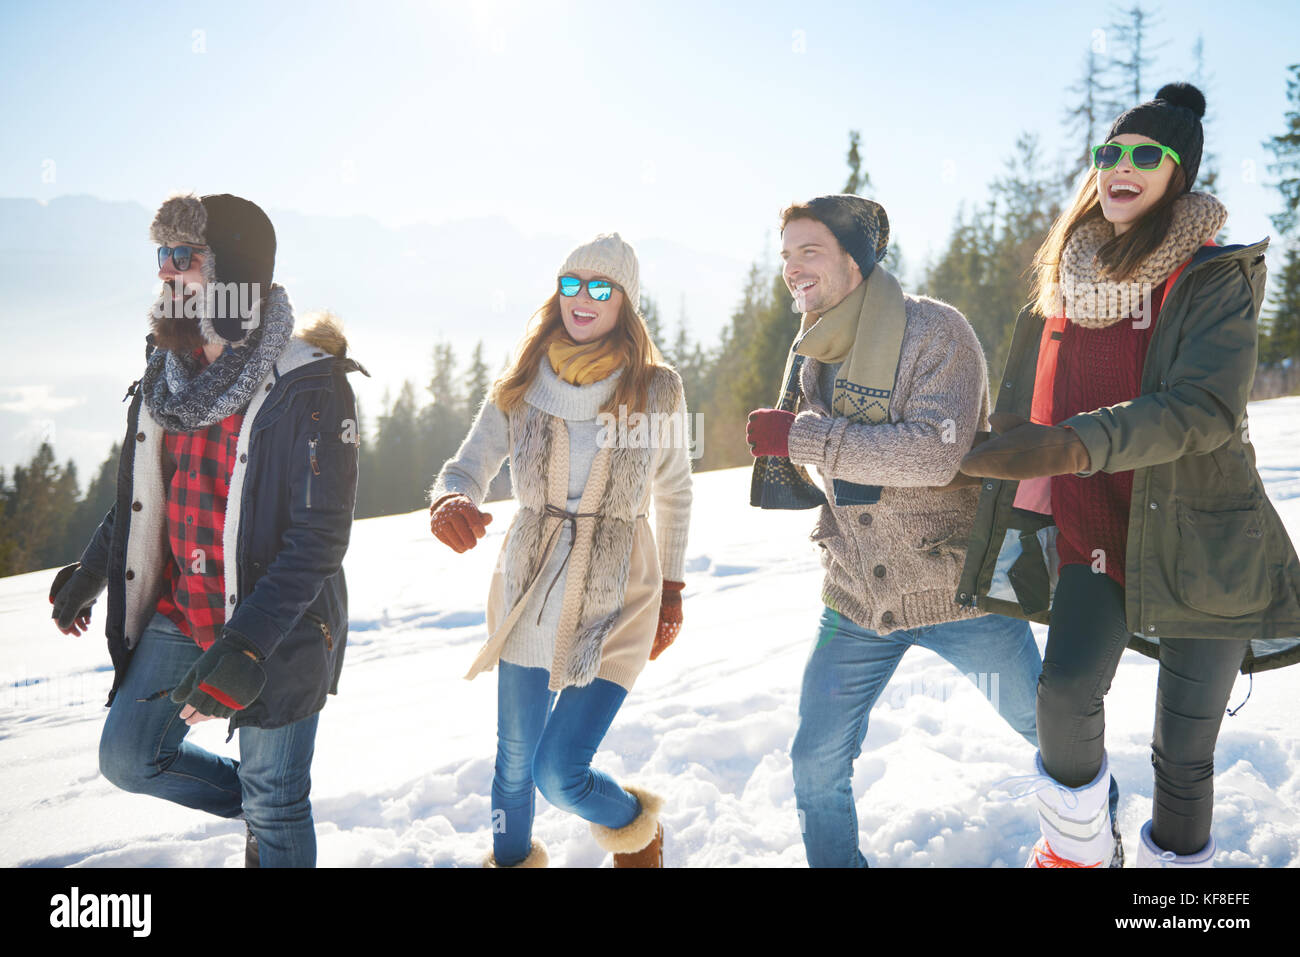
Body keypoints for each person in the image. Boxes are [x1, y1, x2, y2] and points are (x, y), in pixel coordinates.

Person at [959, 82, 1300, 868]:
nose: (1121, 165)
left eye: (1146, 154)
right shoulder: (1068, 285)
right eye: (1110, 152)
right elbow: (1041, 411)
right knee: (1063, 694)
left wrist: (1068, 445)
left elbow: (1200, 411)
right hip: (1096, 535)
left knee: (1182, 755)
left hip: (1202, 544)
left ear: (1178, 173)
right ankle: (1078, 853)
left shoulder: (1214, 278)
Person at [49, 192, 367, 867]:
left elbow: (319, 538)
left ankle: (270, 808)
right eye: (160, 256)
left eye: (182, 258)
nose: (164, 273)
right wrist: (89, 570)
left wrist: (247, 645)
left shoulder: (310, 385)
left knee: (280, 797)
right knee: (130, 755)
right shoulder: (168, 374)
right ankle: (257, 801)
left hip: (273, 626)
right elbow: (142, 498)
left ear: (232, 277)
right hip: (182, 609)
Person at [745, 195, 1057, 868]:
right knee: (815, 757)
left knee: (1055, 734)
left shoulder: (935, 331)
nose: (792, 269)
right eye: (785, 255)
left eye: (810, 252)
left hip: (957, 591)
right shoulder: (816, 351)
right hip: (857, 598)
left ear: (856, 259)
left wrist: (801, 435)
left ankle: (1091, 842)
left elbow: (932, 453)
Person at [428, 233, 692, 868]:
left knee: (559, 771)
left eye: (599, 288)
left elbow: (675, 490)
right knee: (514, 765)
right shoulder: (521, 383)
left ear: (623, 302)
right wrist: (449, 501)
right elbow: (465, 468)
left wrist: (674, 591)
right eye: (571, 284)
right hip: (532, 587)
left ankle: (635, 828)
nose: (582, 298)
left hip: (619, 592)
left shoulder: (655, 390)